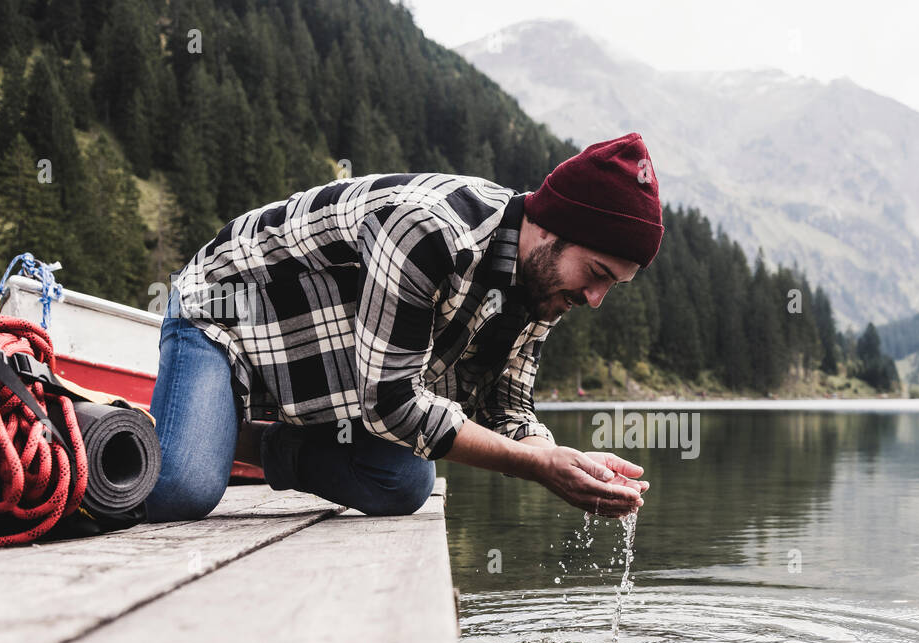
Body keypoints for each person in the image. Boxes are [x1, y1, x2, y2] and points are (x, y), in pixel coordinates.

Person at [143, 133, 662, 522]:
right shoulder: (431, 230)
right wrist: (537, 468)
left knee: (403, 481)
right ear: (550, 228)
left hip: (325, 370)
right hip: (224, 315)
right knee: (182, 490)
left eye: (613, 286)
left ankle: (233, 436)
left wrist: (559, 460)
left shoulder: (539, 286)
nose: (596, 300)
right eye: (597, 275)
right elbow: (391, 401)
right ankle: (116, 424)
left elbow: (507, 407)